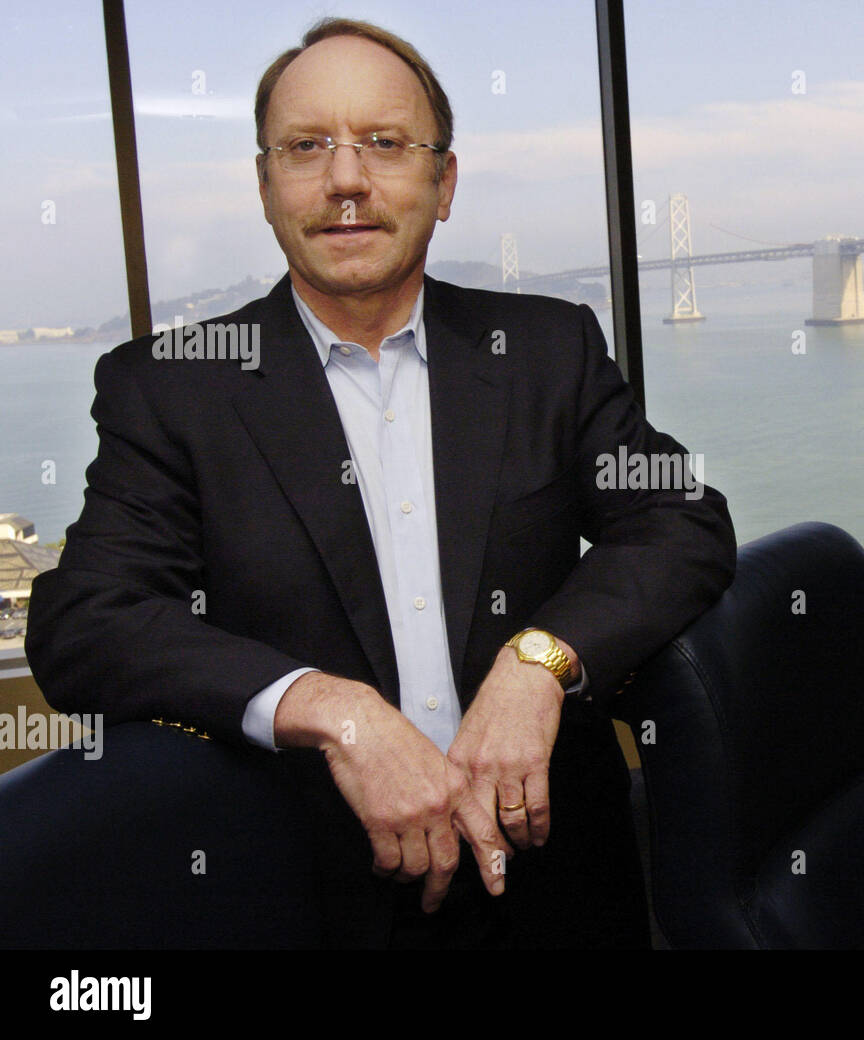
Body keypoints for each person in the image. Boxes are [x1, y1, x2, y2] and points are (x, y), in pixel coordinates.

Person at [25, 17, 735, 949]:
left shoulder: (546, 349)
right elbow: (85, 621)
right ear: (267, 187)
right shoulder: (170, 386)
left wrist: (540, 661)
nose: (347, 180)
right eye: (307, 146)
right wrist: (330, 707)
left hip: (556, 875)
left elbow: (679, 520)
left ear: (443, 184)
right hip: (300, 895)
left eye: (387, 145)